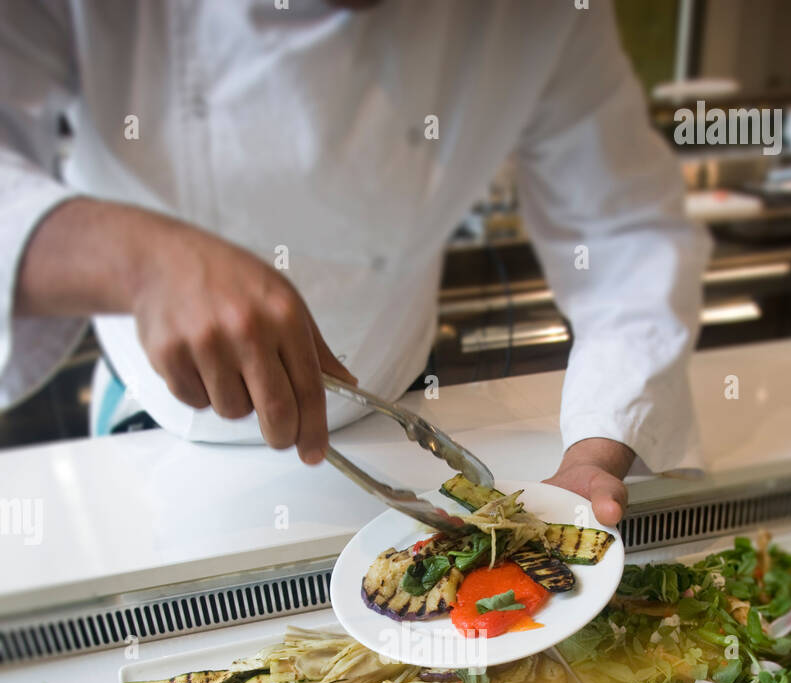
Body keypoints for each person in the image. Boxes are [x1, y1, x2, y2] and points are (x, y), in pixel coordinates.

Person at [0, 0, 708, 525]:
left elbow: (626, 233)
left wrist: (598, 447)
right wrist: (139, 259)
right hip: (160, 443)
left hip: (395, 429)